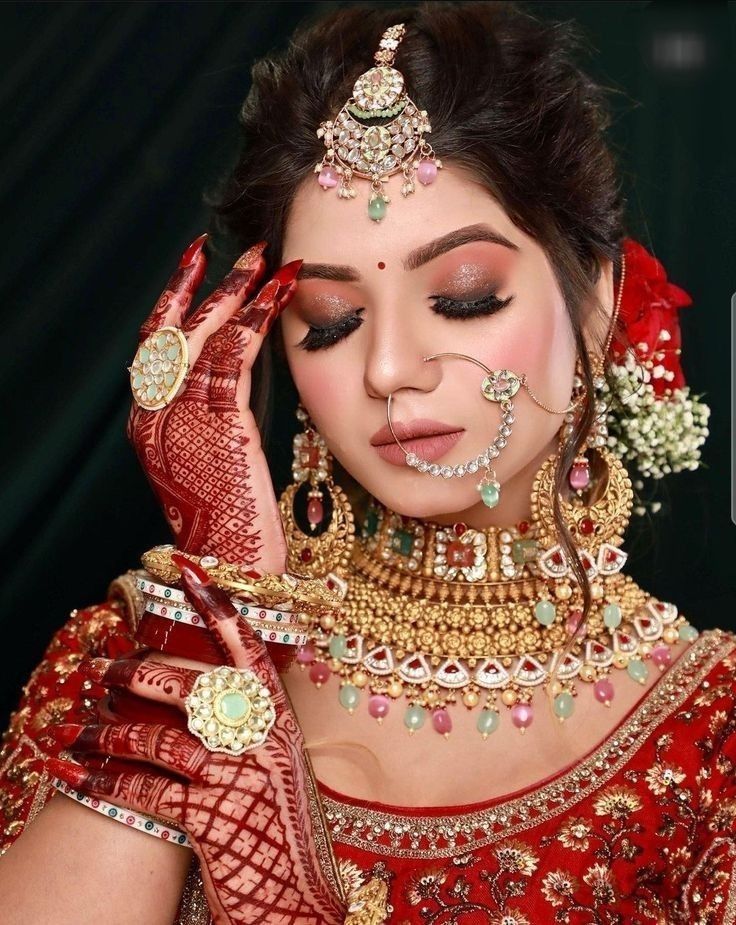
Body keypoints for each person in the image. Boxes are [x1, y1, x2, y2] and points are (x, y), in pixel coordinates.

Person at [0, 3, 730, 923]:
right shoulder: (131, 658)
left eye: (464, 298)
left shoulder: (709, 741)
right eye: (330, 321)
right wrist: (216, 611)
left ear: (598, 303)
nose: (387, 368)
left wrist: (276, 883)